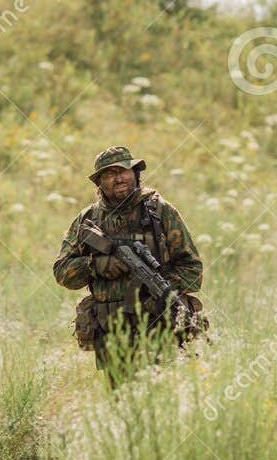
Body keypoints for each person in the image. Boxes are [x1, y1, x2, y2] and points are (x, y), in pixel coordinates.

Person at [53, 146, 205, 382]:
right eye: (110, 173)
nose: (119, 177)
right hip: (113, 333)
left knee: (163, 400)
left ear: (136, 173)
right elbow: (62, 272)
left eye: (124, 170)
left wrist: (157, 288)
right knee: (122, 405)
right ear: (99, 182)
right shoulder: (89, 219)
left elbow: (193, 272)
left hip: (159, 328)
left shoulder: (160, 211)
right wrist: (96, 265)